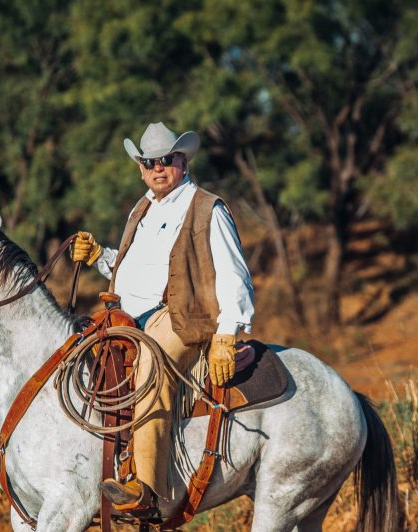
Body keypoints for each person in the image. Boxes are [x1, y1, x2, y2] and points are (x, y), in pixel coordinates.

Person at [71, 122, 255, 510]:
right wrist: (99, 258)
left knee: (151, 369)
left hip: (180, 318)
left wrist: (226, 335)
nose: (158, 168)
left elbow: (235, 275)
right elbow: (135, 269)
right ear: (140, 168)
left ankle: (146, 489)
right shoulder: (141, 208)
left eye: (166, 159)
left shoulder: (207, 208)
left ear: (183, 161)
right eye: (149, 161)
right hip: (126, 315)